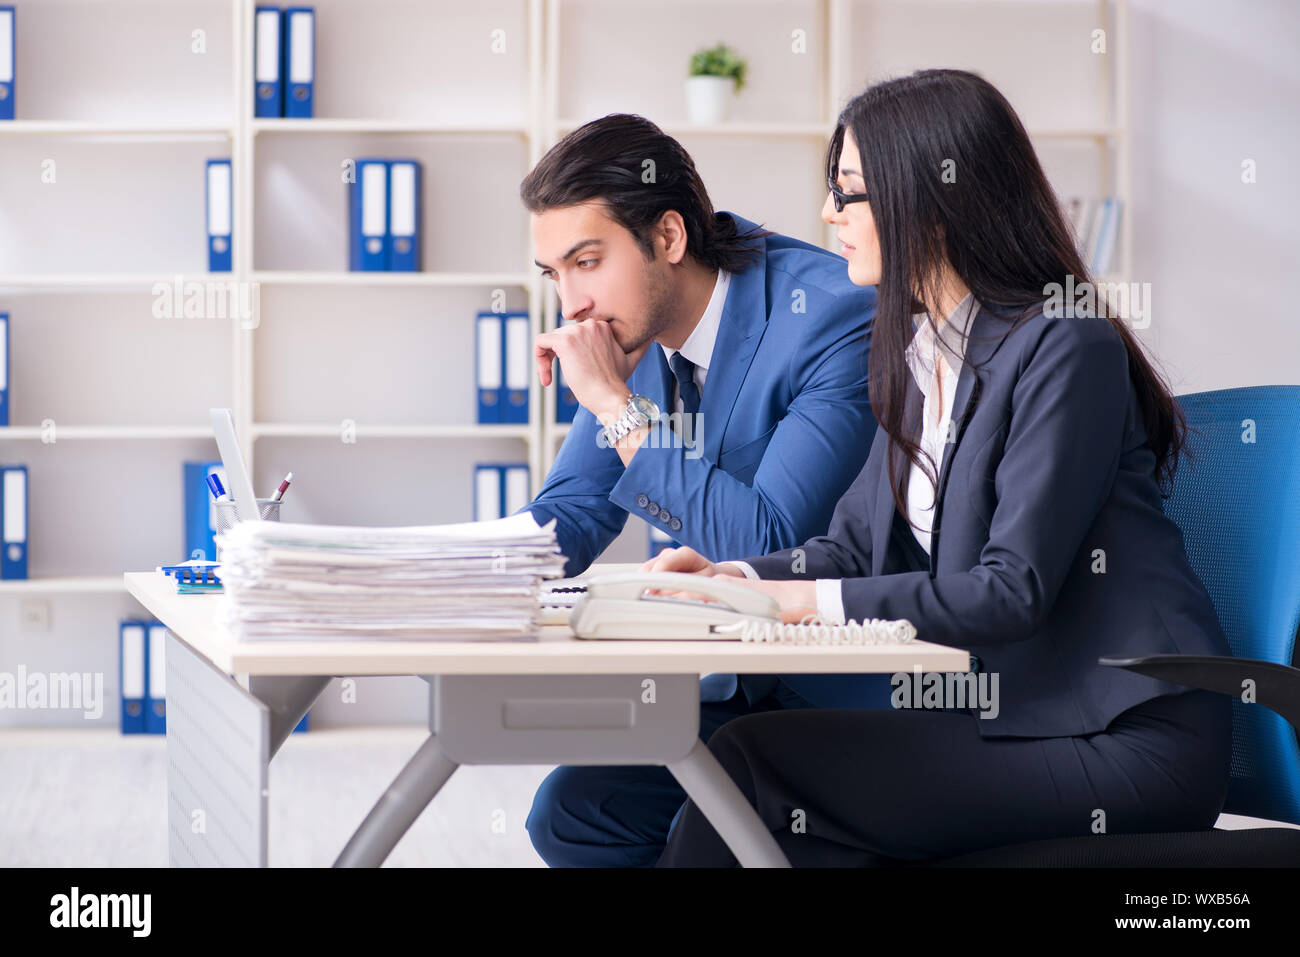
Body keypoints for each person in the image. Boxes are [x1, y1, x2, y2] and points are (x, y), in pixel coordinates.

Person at [646, 69, 1233, 867]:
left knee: (752, 763)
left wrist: (793, 604)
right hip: (1016, 720)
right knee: (759, 799)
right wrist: (733, 580)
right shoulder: (922, 354)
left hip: (1125, 740)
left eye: (848, 191)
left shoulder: (1065, 343)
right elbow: (851, 551)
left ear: (931, 196)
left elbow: (1010, 587)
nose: (828, 214)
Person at [516, 114, 894, 867]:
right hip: (731, 685)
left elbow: (770, 540)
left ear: (668, 238)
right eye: (554, 274)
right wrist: (441, 571)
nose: (571, 306)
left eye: (586, 262)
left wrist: (614, 406)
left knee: (705, 836)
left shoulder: (832, 318)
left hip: (845, 693)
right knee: (571, 813)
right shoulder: (637, 330)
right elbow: (573, 511)